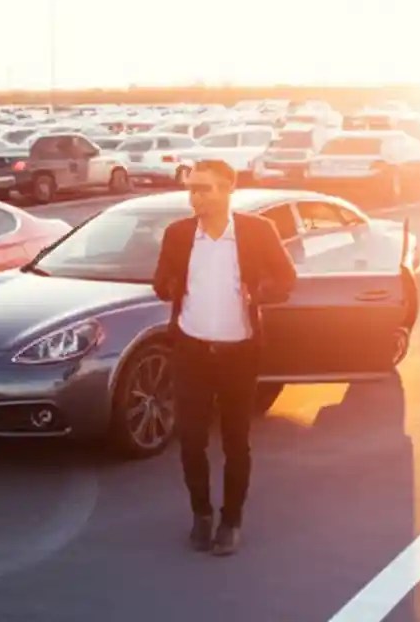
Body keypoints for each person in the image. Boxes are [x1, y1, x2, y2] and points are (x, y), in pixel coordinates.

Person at [152, 158, 297, 556]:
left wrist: (259, 292)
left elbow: (287, 279)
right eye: (191, 188)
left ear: (228, 190)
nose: (195, 196)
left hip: (239, 353)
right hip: (191, 350)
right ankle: (201, 515)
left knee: (236, 443)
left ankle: (231, 520)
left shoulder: (257, 231)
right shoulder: (179, 234)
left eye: (204, 188)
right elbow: (161, 282)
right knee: (191, 441)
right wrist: (167, 284)